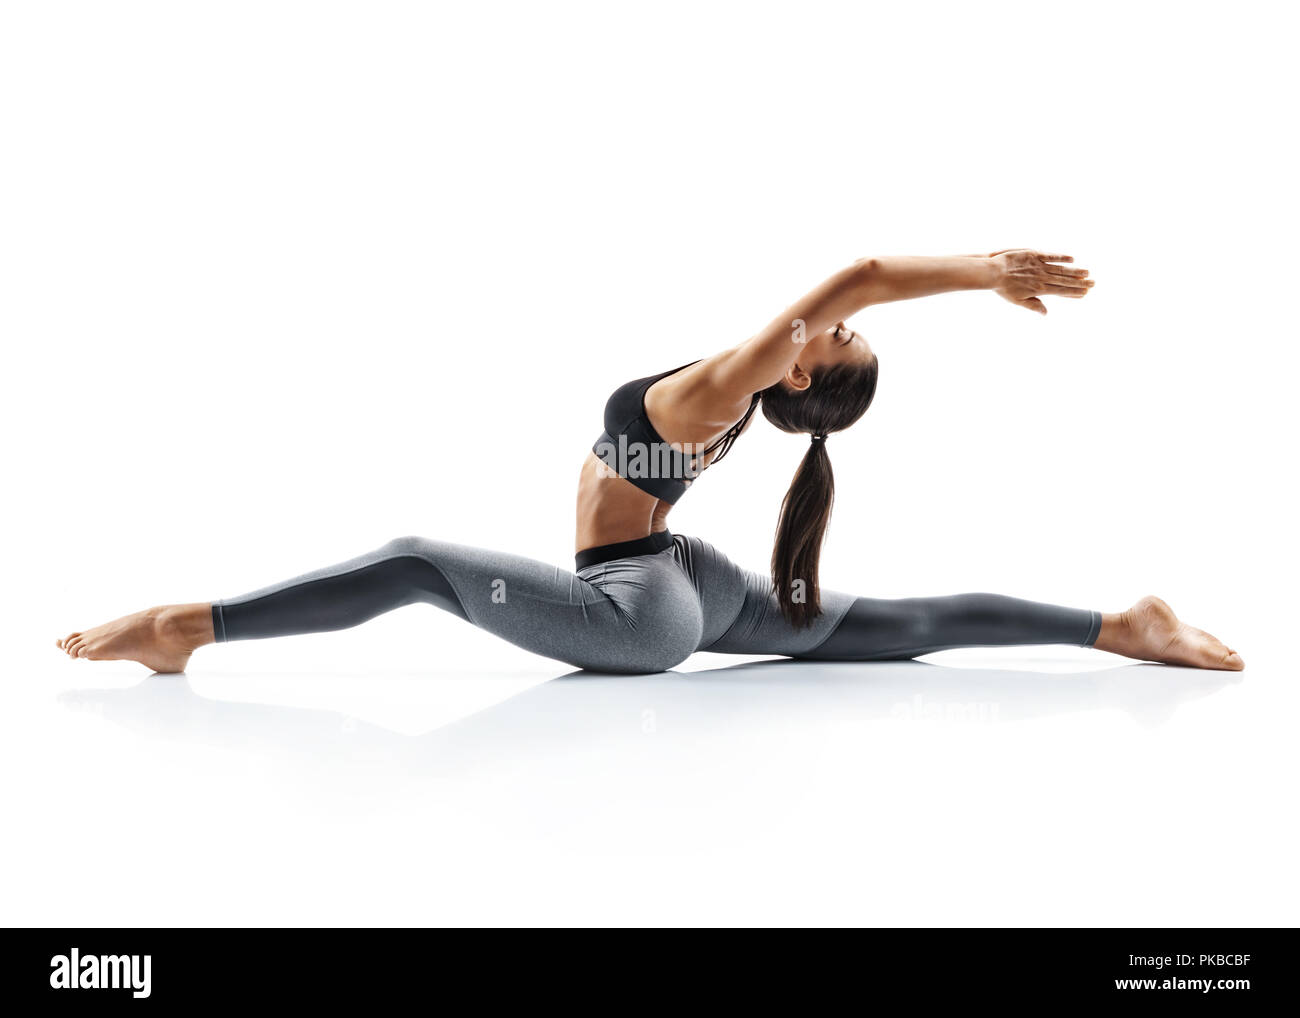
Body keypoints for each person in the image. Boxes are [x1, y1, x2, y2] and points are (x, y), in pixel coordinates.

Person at [57, 250, 1243, 674]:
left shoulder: (721, 389)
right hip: (688, 573)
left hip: (640, 604)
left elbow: (861, 274)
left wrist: (983, 272)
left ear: (800, 379)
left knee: (418, 560)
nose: (820, 325)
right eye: (835, 333)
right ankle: (1119, 626)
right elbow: (844, 297)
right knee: (884, 622)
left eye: (830, 341)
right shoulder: (731, 386)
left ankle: (185, 627)